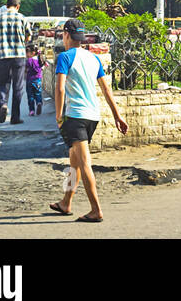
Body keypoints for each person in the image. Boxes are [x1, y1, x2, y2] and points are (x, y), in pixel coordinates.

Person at [49, 19, 127, 223]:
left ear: (66, 35)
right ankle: (66, 202)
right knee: (74, 161)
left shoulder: (65, 57)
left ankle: (96, 209)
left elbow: (59, 88)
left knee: (84, 163)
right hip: (93, 116)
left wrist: (59, 116)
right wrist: (117, 115)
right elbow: (106, 89)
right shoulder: (94, 59)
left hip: (75, 116)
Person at [0, 0, 31, 124]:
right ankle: (15, 117)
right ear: (17, 6)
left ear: (6, 6)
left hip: (2, 56)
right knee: (18, 87)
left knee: (2, 83)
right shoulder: (22, 18)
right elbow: (28, 36)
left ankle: (2, 104)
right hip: (18, 56)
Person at [25, 45, 45, 116]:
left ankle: (32, 111)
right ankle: (39, 103)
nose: (26, 54)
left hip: (30, 80)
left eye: (27, 52)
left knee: (30, 96)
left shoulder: (29, 60)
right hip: (38, 80)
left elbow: (26, 69)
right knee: (38, 93)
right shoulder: (40, 60)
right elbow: (42, 68)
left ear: (33, 52)